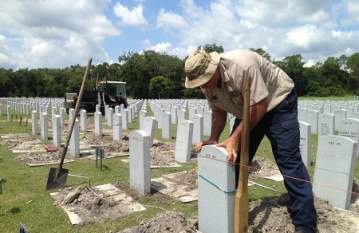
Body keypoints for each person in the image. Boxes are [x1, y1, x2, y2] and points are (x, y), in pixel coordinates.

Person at [184, 49, 317, 233]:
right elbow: (218, 111)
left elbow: (259, 105)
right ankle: (229, 214)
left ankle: (305, 225)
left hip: (278, 103)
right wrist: (214, 138)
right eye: (200, 83)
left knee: (289, 163)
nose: (204, 86)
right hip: (247, 109)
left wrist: (234, 138)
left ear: (214, 69)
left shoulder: (242, 65)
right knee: (235, 162)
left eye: (205, 80)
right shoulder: (207, 84)